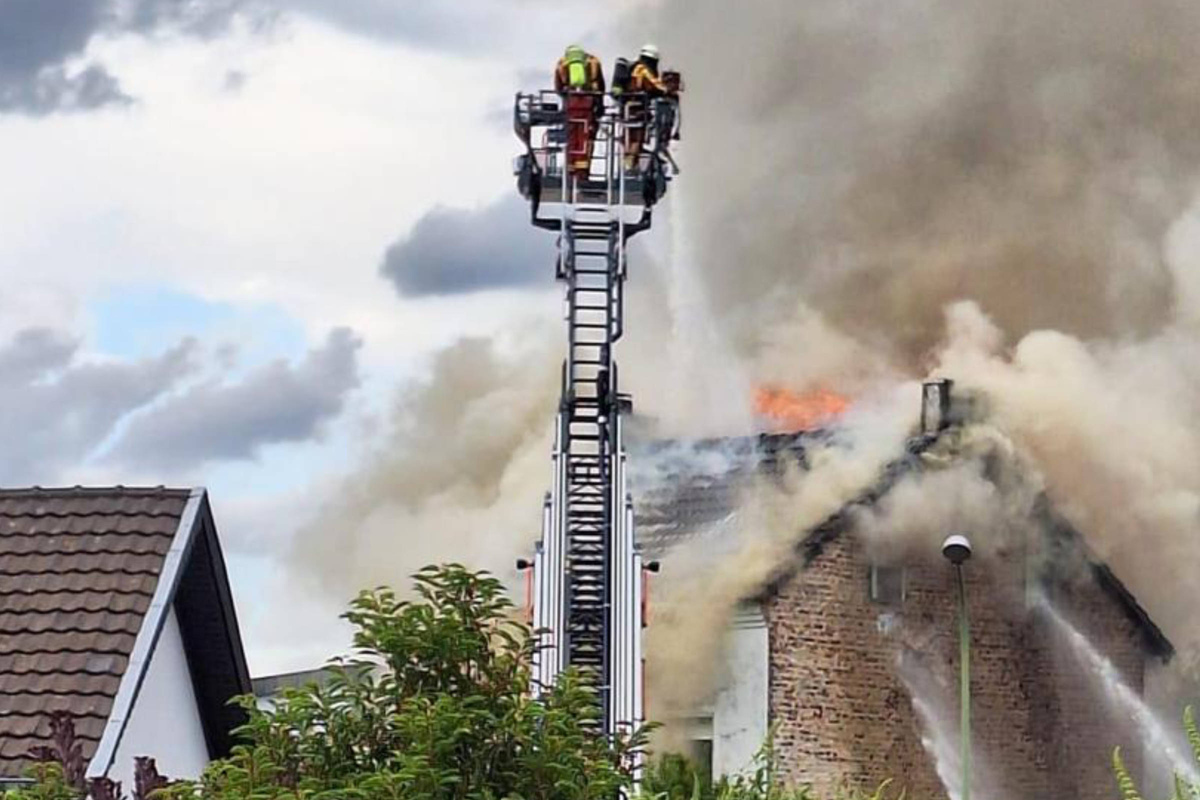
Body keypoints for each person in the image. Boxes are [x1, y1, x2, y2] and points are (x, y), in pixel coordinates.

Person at [554, 44, 605, 180]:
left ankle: (571, 172)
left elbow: (558, 88)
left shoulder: (562, 63)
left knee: (571, 139)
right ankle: (582, 174)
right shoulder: (593, 61)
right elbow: (600, 87)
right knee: (586, 139)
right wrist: (600, 105)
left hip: (571, 107)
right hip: (589, 106)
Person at [624, 44, 676, 168]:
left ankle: (631, 164)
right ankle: (630, 165)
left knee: (633, 138)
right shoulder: (642, 69)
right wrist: (667, 90)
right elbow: (654, 84)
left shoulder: (635, 67)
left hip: (631, 108)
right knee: (636, 138)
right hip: (637, 108)